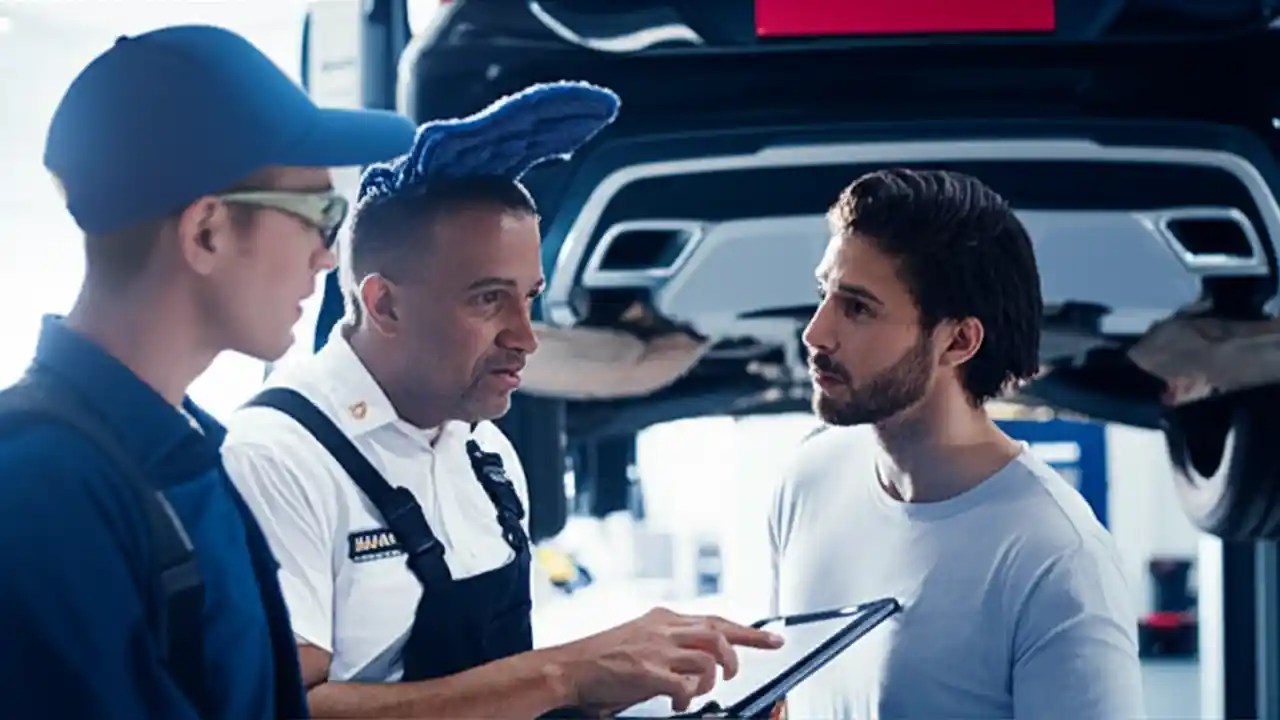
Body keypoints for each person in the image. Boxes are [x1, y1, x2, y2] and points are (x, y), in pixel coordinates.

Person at [221, 81, 783, 719]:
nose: (524, 337)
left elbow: (504, 698)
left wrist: (637, 693)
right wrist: (569, 672)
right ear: (385, 304)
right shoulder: (276, 459)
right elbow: (281, 710)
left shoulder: (486, 454)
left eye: (530, 297)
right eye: (489, 299)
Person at [0, 25, 416, 720]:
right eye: (321, 214)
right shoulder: (40, 494)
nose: (326, 255)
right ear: (208, 232)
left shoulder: (185, 456)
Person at [769, 168, 1144, 719]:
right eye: (824, 293)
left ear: (959, 340)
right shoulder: (808, 478)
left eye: (858, 308)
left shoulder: (1057, 560)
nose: (815, 332)